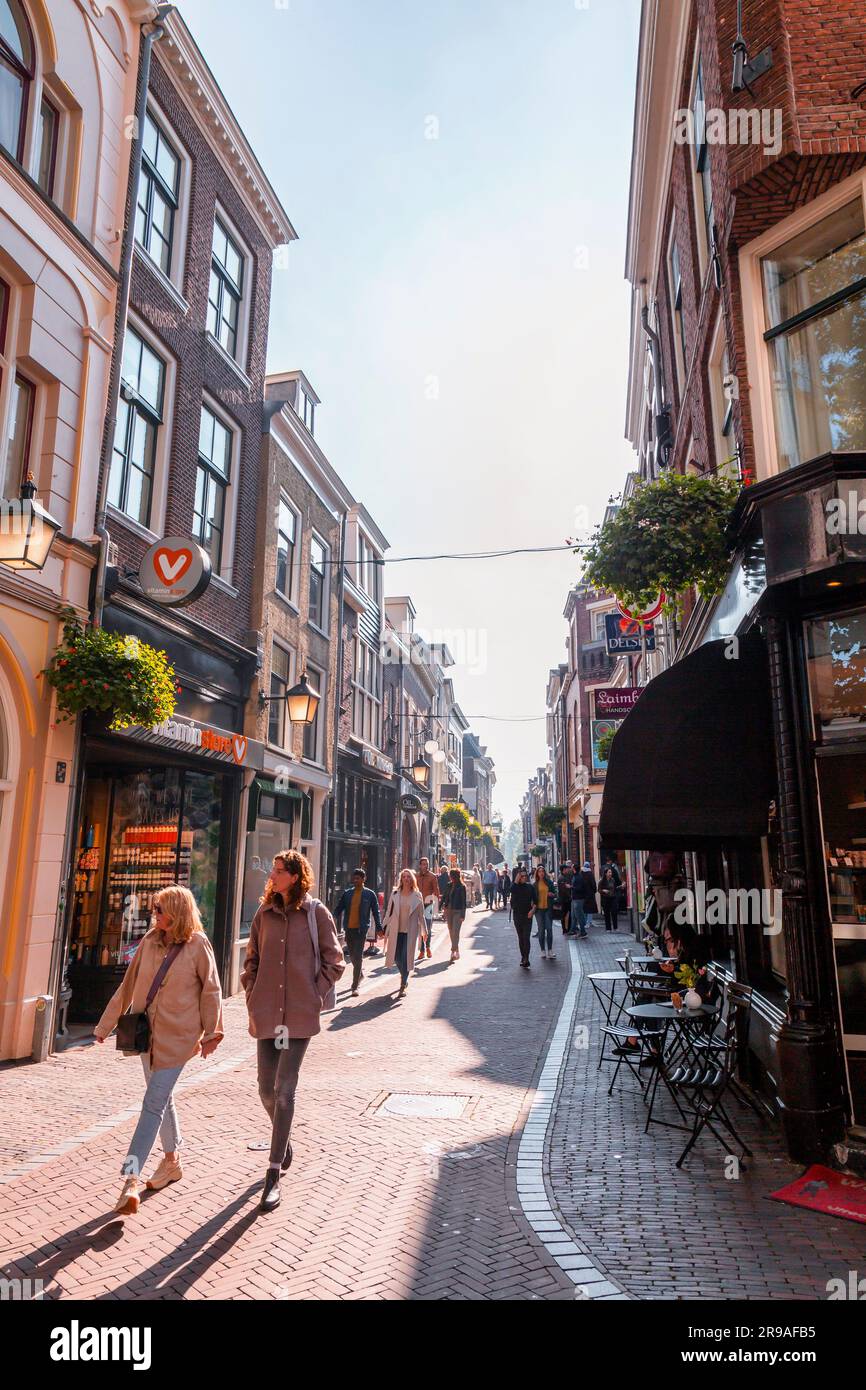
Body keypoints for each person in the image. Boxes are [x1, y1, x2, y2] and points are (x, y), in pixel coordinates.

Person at [94, 885, 224, 1216]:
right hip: (146, 1036)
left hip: (179, 1039)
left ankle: (130, 1178)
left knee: (152, 1103)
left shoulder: (198, 945)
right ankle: (171, 1162)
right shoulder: (150, 942)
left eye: (161, 909)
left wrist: (213, 1032)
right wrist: (104, 1026)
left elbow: (211, 991)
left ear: (178, 911)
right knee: (161, 1098)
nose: (156, 914)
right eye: (154, 908)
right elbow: (128, 985)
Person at [242, 851, 344, 1212]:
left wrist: (313, 994)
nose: (272, 874)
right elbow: (251, 958)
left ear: (296, 876)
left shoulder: (315, 913)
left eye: (278, 870)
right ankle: (283, 1143)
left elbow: (335, 960)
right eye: (273, 869)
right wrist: (251, 990)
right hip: (268, 1012)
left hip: (297, 1017)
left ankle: (272, 1174)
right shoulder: (264, 914)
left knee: (285, 1091)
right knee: (264, 1089)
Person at [333, 868, 382, 995]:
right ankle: (359, 974)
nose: (355, 880)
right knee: (352, 955)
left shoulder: (370, 894)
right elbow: (339, 908)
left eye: (358, 878)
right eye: (354, 878)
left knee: (358, 956)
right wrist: (332, 918)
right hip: (348, 929)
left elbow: (376, 912)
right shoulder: (347, 893)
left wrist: (379, 928)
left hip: (361, 929)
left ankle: (355, 986)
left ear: (363, 879)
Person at [382, 869, 425, 997]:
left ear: (412, 879)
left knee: (406, 958)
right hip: (396, 930)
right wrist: (383, 926)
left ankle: (403, 984)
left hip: (410, 931)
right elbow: (389, 912)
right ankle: (403, 976)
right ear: (401, 879)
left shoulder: (417, 895)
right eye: (404, 877)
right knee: (396, 957)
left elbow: (421, 916)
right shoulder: (395, 893)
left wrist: (424, 931)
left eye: (408, 877)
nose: (406, 879)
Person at [416, 856, 441, 962]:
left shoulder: (432, 876)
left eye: (426, 864)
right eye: (423, 864)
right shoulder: (416, 876)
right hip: (417, 904)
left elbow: (436, 891)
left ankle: (427, 948)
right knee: (420, 928)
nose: (424, 866)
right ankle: (421, 950)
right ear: (420, 865)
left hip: (428, 904)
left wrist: (437, 906)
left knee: (428, 927)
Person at [510, 867, 535, 968]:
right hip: (517, 915)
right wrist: (516, 879)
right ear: (518, 877)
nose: (524, 877)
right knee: (520, 938)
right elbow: (511, 890)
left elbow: (535, 900)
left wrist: (532, 910)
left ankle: (526, 958)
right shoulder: (515, 887)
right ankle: (523, 956)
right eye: (522, 876)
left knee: (526, 937)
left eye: (525, 876)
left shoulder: (530, 887)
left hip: (527, 915)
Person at [442, 867, 468, 961]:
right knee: (450, 930)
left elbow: (463, 902)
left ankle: (453, 951)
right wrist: (441, 907)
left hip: (458, 911)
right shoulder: (449, 885)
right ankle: (456, 949)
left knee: (455, 931)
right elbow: (445, 897)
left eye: (451, 876)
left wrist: (463, 915)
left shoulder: (462, 887)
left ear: (455, 876)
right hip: (449, 910)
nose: (450, 877)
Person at [532, 865, 557, 959]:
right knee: (541, 930)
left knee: (549, 930)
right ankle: (542, 950)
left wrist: (552, 894)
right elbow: (532, 898)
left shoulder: (549, 882)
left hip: (548, 908)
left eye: (542, 871)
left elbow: (555, 894)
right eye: (539, 871)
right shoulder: (535, 885)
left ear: (544, 873)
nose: (541, 873)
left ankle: (550, 950)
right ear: (537, 873)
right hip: (538, 910)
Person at [570, 861, 597, 938]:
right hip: (580, 897)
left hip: (578, 898)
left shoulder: (579, 876)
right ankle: (577, 929)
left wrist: (571, 887)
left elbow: (580, 887)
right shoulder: (579, 876)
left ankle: (583, 931)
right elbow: (593, 885)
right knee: (577, 914)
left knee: (579, 915)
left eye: (572, 867)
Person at [600, 866, 620, 933]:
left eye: (611, 872)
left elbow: (615, 888)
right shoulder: (602, 881)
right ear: (605, 873)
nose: (610, 873)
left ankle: (615, 927)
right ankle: (608, 928)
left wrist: (621, 887)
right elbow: (598, 890)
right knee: (607, 913)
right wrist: (603, 890)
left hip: (613, 897)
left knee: (614, 912)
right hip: (605, 899)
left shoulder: (613, 880)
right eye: (609, 872)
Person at [557, 864, 574, 936]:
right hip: (564, 899)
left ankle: (569, 929)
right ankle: (565, 930)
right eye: (567, 869)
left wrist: (569, 886)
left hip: (567, 899)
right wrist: (570, 895)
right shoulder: (561, 878)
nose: (568, 870)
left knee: (569, 914)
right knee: (564, 915)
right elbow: (564, 890)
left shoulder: (566, 876)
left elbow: (568, 886)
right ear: (564, 869)